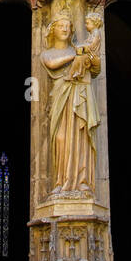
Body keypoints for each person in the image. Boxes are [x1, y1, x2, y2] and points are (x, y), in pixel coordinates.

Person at [41, 14, 101, 197]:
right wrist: (76, 55)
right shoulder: (48, 53)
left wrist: (92, 59)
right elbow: (51, 64)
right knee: (60, 138)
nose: (65, 29)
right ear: (53, 30)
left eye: (68, 26)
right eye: (61, 26)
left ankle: (82, 182)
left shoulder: (80, 49)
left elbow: (96, 70)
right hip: (61, 98)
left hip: (80, 96)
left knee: (81, 137)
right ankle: (61, 181)